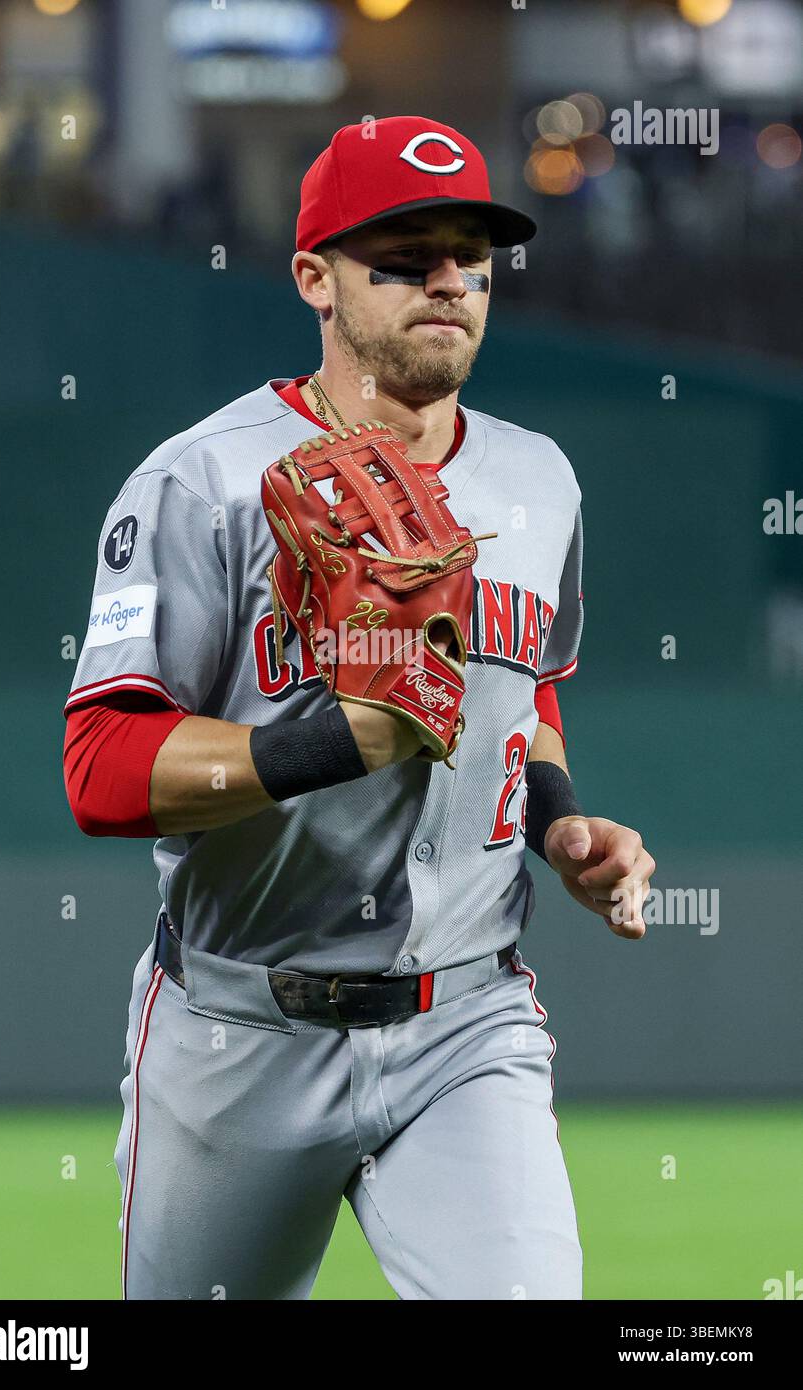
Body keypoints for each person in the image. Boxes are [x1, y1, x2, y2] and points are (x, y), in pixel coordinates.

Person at [63, 116, 655, 1300]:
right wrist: (329, 741)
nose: (447, 279)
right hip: (240, 1025)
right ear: (313, 279)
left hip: (465, 1020)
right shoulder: (205, 478)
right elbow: (101, 766)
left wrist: (561, 824)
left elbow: (524, 688)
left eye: (470, 257)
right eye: (403, 251)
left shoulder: (537, 478)